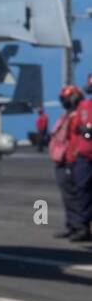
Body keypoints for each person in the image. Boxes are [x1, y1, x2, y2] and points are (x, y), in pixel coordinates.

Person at [48, 85, 92, 242]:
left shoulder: (79, 114)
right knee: (69, 196)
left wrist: (71, 158)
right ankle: (72, 226)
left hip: (71, 159)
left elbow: (75, 139)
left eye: (65, 98)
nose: (64, 101)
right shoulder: (69, 115)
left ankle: (80, 227)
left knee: (76, 195)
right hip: (63, 159)